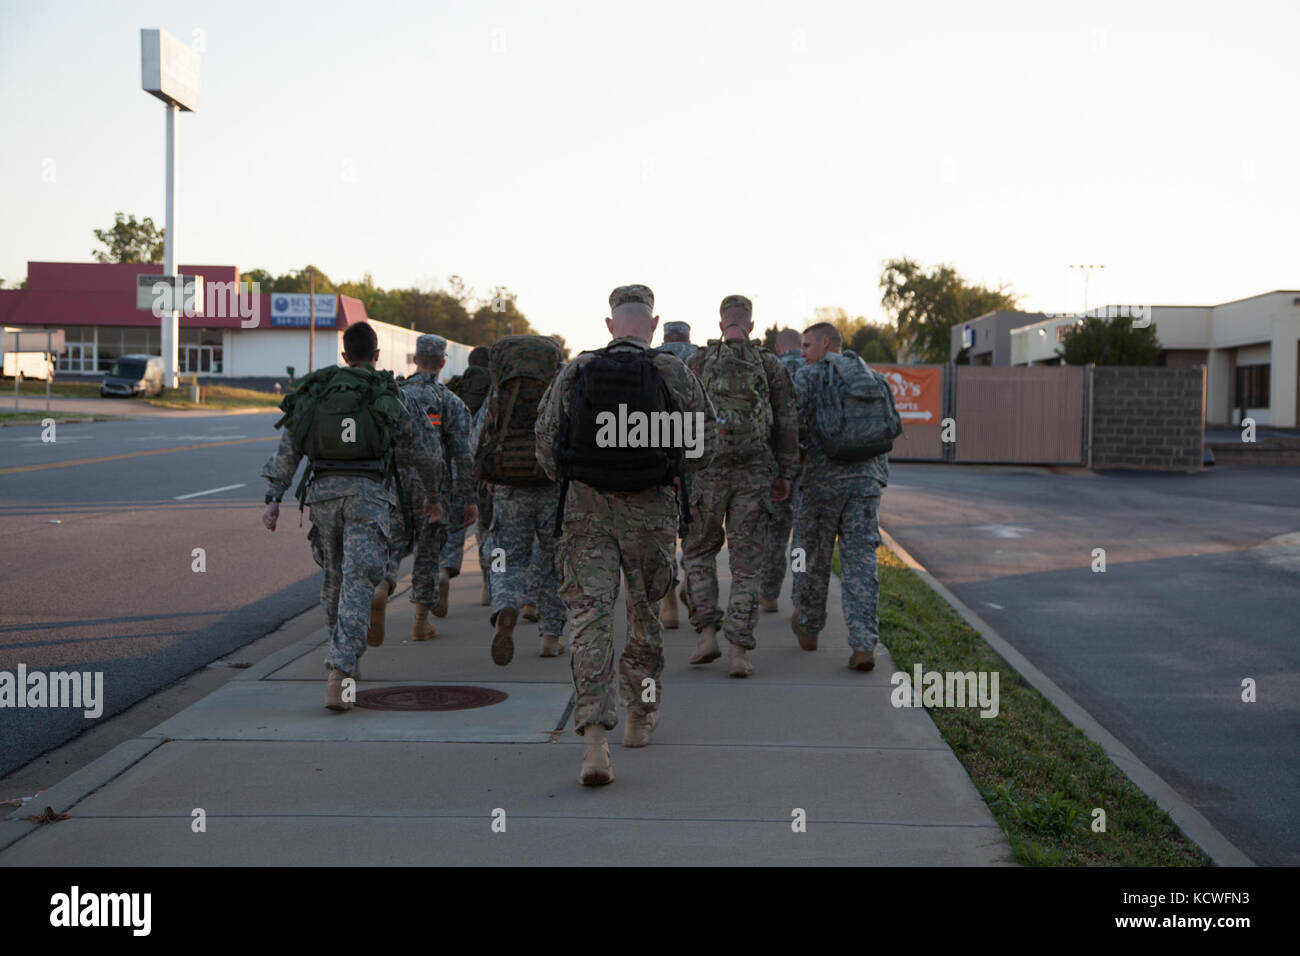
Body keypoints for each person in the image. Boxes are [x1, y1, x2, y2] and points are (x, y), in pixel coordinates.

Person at [537, 284, 714, 786]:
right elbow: (705, 447)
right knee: (644, 615)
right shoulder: (671, 371)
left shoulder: (577, 369)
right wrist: (665, 457)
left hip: (585, 511)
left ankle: (594, 739)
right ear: (654, 326)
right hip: (651, 510)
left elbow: (545, 446)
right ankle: (640, 715)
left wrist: (580, 476)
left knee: (590, 619)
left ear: (611, 325)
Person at [261, 321, 444, 710]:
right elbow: (425, 449)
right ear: (377, 356)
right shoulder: (387, 391)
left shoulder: (318, 389)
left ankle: (342, 658)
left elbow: (289, 445)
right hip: (368, 497)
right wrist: (434, 495)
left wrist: (274, 496)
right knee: (359, 581)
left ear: (344, 356)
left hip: (323, 497)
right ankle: (341, 671)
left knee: (334, 579)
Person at [682, 295, 798, 677]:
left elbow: (680, 418)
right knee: (747, 566)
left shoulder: (697, 361)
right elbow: (786, 423)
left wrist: (679, 470)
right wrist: (785, 474)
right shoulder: (769, 365)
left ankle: (706, 635)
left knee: (699, 553)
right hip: (755, 473)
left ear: (720, 325)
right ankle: (738, 652)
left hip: (707, 473)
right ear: (750, 324)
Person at [791, 321, 890, 671]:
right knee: (861, 561)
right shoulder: (873, 377)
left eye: (807, 346)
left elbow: (793, 428)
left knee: (813, 560)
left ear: (826, 343)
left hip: (822, 483)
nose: (802, 353)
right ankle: (863, 644)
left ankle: (809, 628)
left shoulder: (808, 378)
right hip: (867, 483)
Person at [475, 335, 568, 665]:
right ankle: (551, 635)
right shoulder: (560, 388)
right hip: (551, 486)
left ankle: (504, 604)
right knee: (555, 560)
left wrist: (486, 478)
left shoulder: (500, 391)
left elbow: (480, 437)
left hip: (509, 486)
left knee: (503, 553)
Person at [382, 334, 476, 642]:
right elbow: (463, 456)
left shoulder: (395, 396)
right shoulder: (451, 402)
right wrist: (467, 500)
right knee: (428, 553)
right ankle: (420, 623)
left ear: (415, 360)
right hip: (434, 487)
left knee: (393, 544)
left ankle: (382, 586)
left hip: (396, 484)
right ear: (443, 363)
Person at [654, 320, 698, 630]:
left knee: (663, 532)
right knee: (695, 528)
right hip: (695, 455)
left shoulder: (651, 358)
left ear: (664, 335)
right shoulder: (701, 358)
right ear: (687, 336)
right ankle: (693, 586)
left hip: (657, 455)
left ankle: (669, 604)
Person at [758, 328, 805, 613]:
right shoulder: (813, 368)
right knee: (802, 534)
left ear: (778, 347)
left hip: (776, 463)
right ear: (802, 346)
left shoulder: (772, 369)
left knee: (775, 531)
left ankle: (769, 593)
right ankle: (801, 599)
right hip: (808, 463)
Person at [445, 346, 494, 606]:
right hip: (486, 471)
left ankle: (445, 568)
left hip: (456, 468)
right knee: (487, 530)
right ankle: (489, 583)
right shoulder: (496, 391)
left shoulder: (456, 388)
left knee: (454, 524)